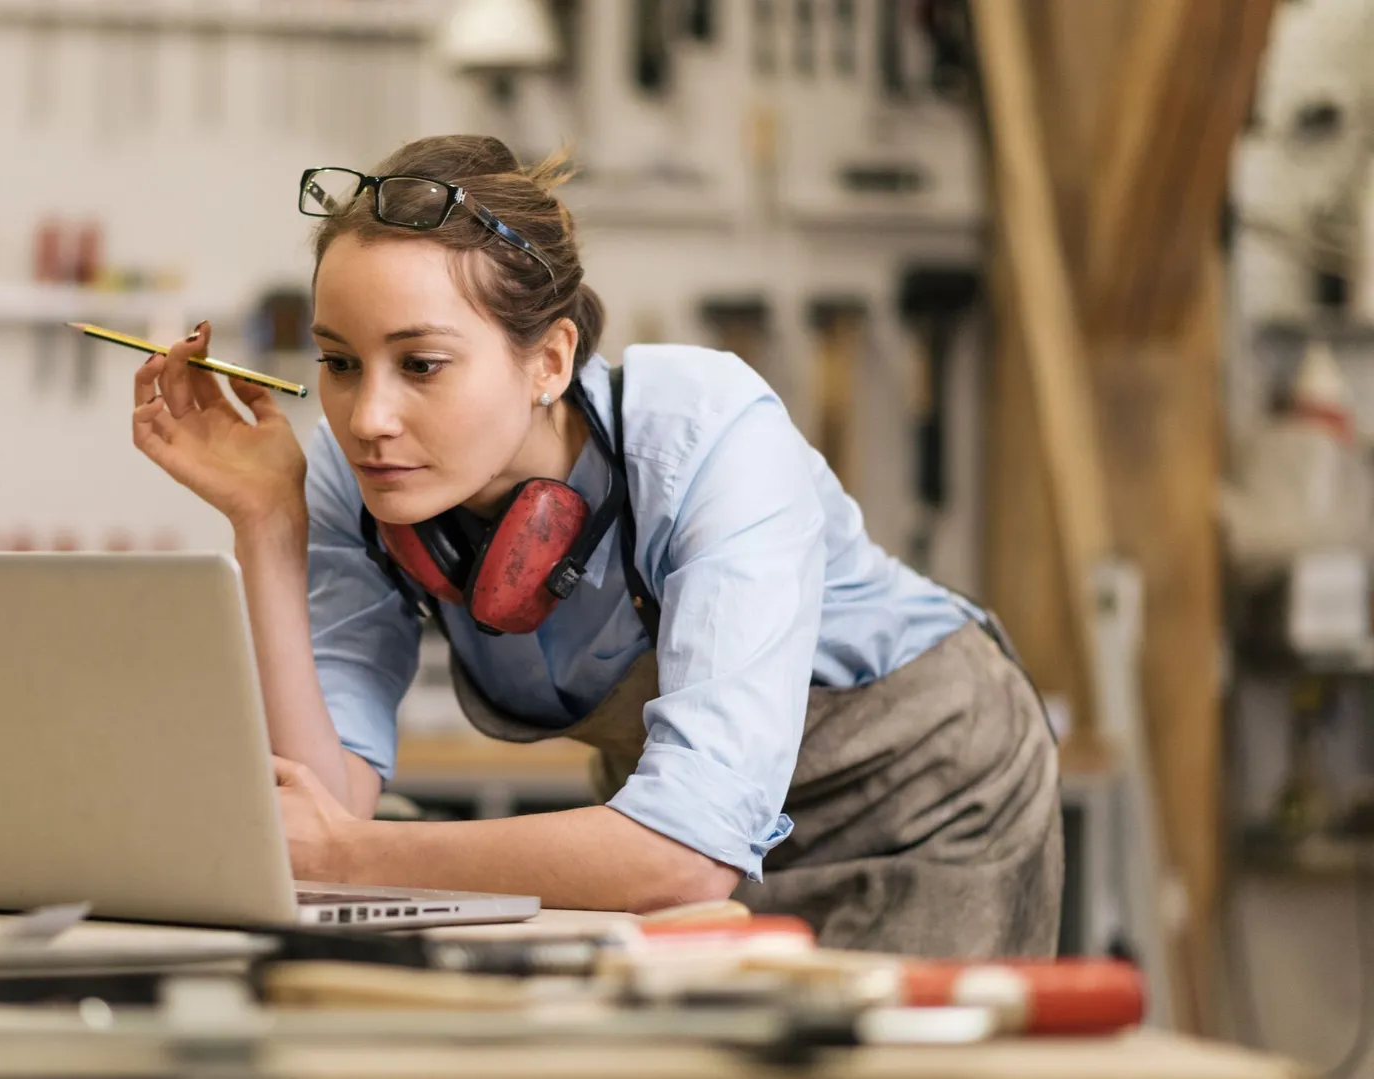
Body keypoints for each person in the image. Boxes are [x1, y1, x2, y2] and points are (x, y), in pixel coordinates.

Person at [129, 134, 1061, 956]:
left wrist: (353, 854)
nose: (368, 416)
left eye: (421, 364)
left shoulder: (707, 434)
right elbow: (324, 807)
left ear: (550, 359)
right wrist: (269, 527)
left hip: (921, 794)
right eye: (338, 362)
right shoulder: (354, 477)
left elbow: (685, 854)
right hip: (664, 841)